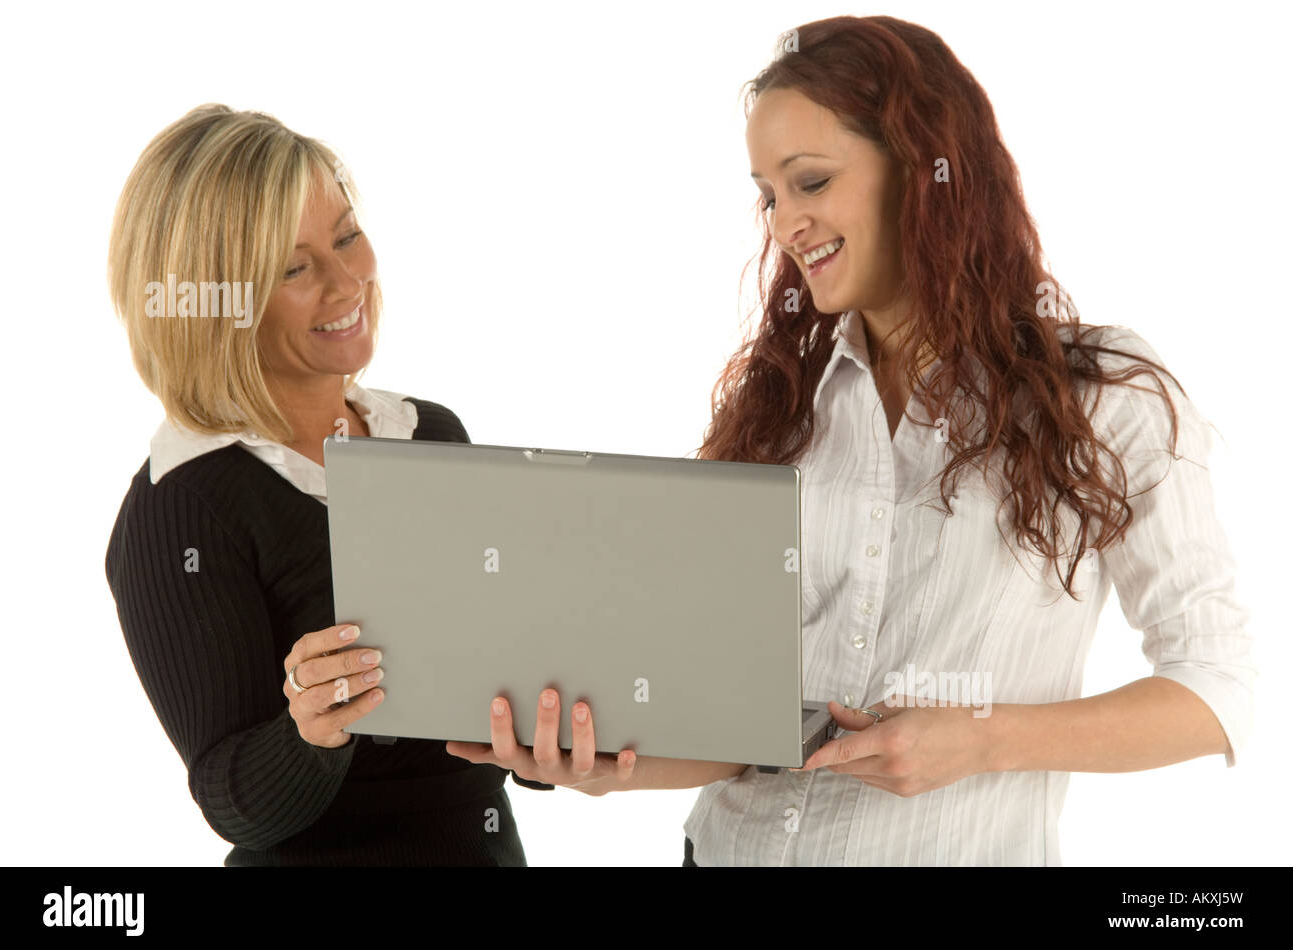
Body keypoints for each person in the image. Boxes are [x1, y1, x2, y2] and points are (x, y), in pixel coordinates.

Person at [446, 15, 1256, 866]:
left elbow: (1216, 688)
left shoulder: (1097, 397)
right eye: (769, 194)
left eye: (811, 181)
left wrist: (978, 739)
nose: (787, 223)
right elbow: (745, 724)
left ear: (923, 169)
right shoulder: (781, 408)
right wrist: (603, 770)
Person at [105, 103, 552, 866]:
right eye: (294, 267)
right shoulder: (180, 505)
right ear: (218, 306)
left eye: (347, 236)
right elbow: (234, 800)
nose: (348, 280)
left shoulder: (432, 436)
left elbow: (499, 739)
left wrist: (555, 708)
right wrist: (312, 730)